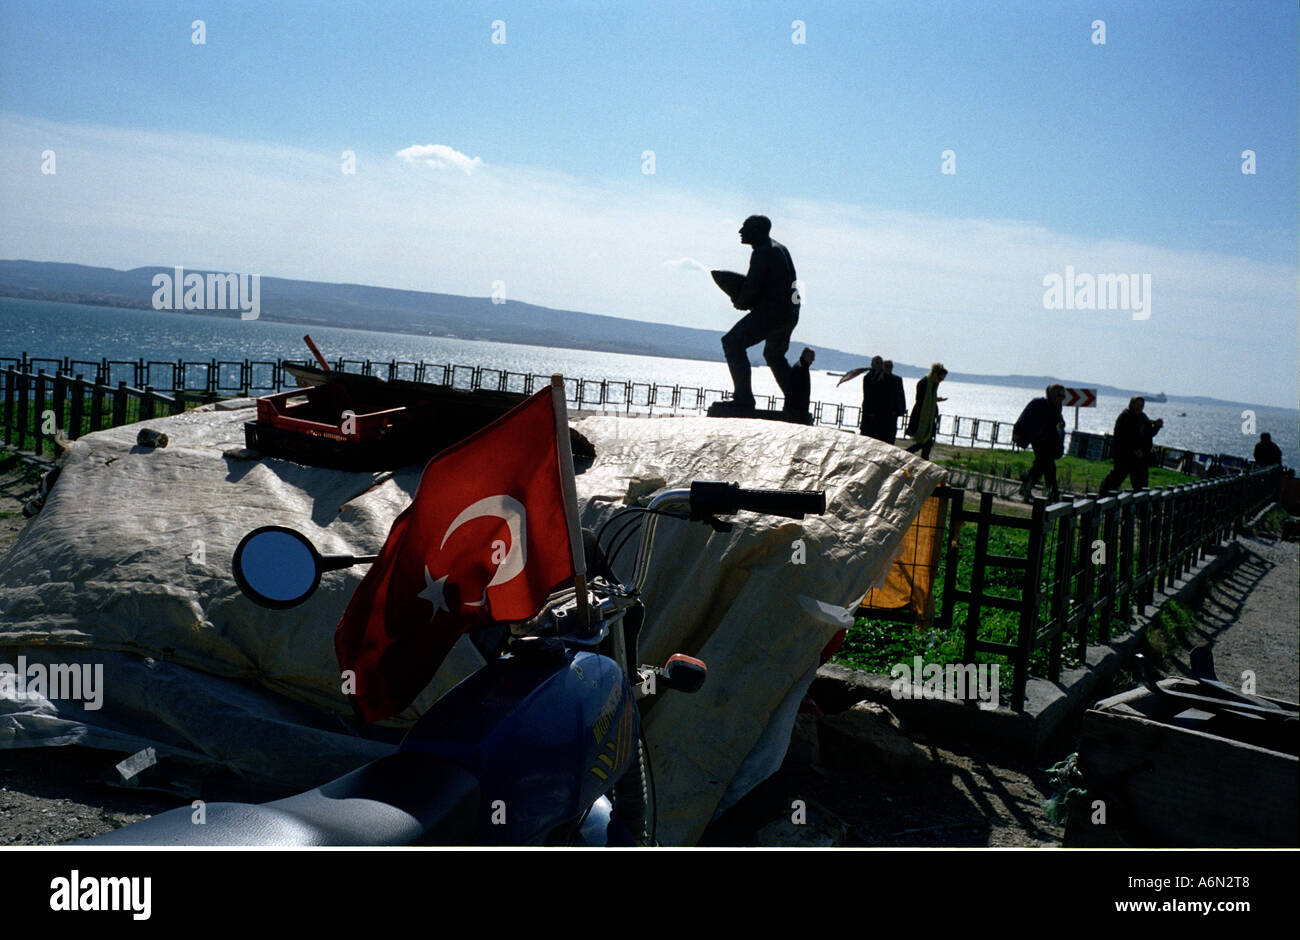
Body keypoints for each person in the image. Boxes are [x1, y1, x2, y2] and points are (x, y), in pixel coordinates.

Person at [717, 215, 799, 413]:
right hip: (790, 312)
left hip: (772, 312)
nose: (740, 231)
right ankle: (797, 403)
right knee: (774, 355)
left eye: (745, 227)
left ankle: (744, 398)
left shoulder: (763, 251)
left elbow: (752, 286)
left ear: (758, 230)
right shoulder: (780, 248)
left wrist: (740, 301)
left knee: (732, 343)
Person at [1013, 384, 1067, 502]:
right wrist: (1017, 433)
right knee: (1046, 464)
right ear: (1052, 394)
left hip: (1049, 440)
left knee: (1043, 466)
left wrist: (1061, 424)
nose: (1062, 398)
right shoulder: (1038, 404)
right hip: (1038, 439)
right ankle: (1052, 493)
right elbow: (1024, 418)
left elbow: (1058, 421)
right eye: (1060, 395)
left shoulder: (1057, 407)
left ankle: (1033, 489)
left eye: (1063, 395)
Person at [1100, 396, 1163, 494]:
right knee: (1116, 478)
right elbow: (1123, 437)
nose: (1139, 408)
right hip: (1124, 455)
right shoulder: (1125, 417)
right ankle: (1103, 496)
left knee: (1140, 484)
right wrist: (1133, 449)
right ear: (1132, 404)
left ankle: (1139, 504)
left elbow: (1149, 433)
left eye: (1141, 406)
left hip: (1139, 458)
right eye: (1137, 405)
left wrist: (1157, 426)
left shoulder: (1143, 417)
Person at [905, 363, 948, 460]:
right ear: (934, 374)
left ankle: (917, 457)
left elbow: (929, 399)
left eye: (942, 379)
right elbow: (921, 400)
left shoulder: (934, 384)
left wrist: (936, 400)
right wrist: (934, 400)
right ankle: (908, 453)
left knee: (927, 443)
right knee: (925, 442)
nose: (940, 381)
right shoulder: (924, 382)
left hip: (930, 417)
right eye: (940, 378)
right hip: (921, 416)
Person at [859, 356, 893, 442]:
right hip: (870, 413)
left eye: (881, 363)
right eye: (877, 363)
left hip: (883, 416)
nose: (880, 365)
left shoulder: (887, 377)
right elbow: (868, 395)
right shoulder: (868, 377)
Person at [783, 347, 815, 423]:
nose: (813, 361)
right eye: (812, 358)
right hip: (796, 411)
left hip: (796, 410)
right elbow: (797, 391)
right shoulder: (800, 368)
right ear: (806, 357)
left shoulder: (801, 367)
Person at [884, 360, 906, 445]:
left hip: (893, 412)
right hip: (881, 412)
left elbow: (901, 395)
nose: (888, 368)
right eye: (886, 366)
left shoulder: (897, 380)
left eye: (890, 366)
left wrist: (901, 410)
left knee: (891, 435)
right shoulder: (879, 378)